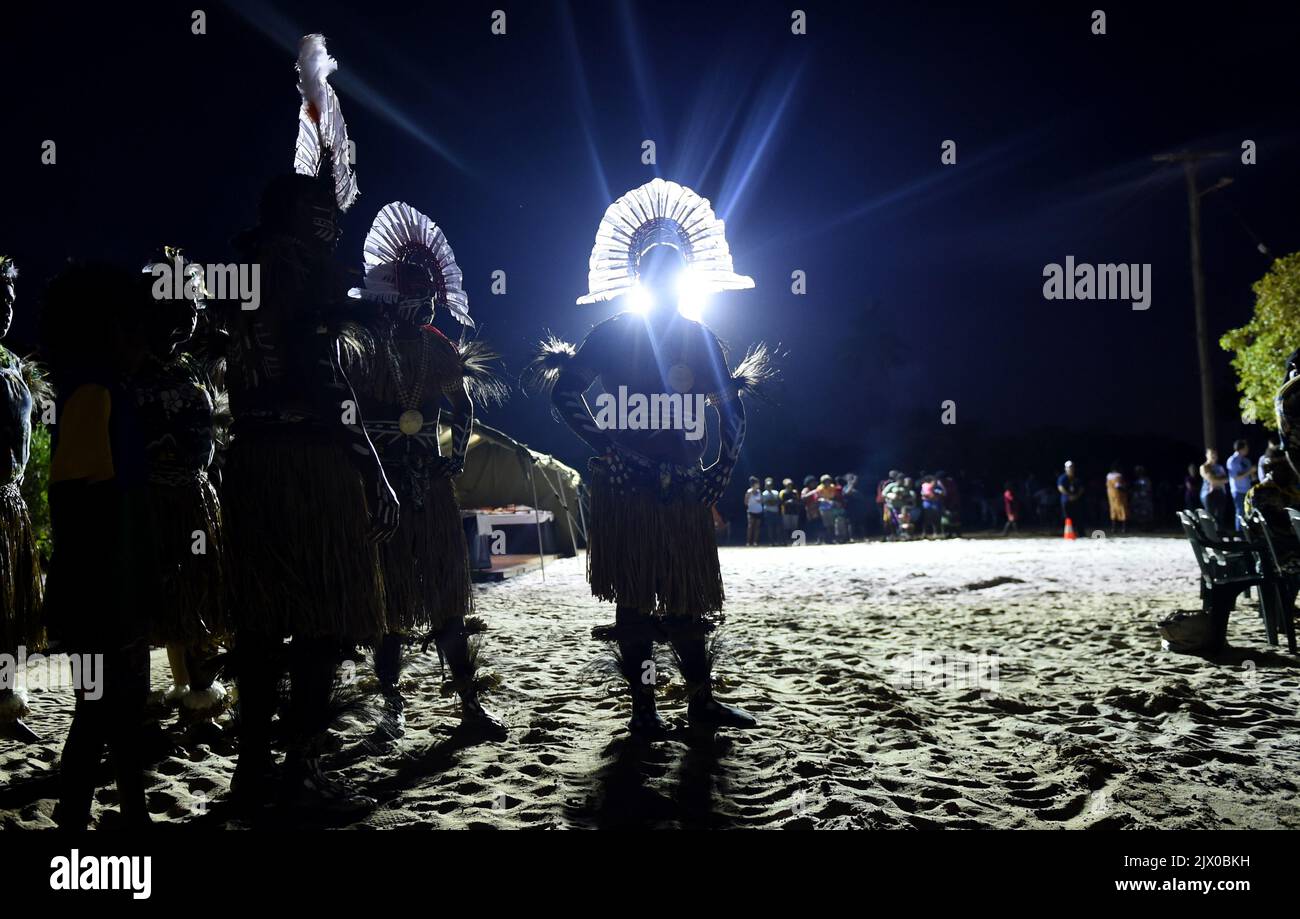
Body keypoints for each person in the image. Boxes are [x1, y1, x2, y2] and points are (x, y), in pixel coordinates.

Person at [526, 177, 772, 737]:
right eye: (655, 275)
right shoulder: (614, 334)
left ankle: (699, 701)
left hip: (683, 487)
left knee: (688, 597)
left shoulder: (700, 339)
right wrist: (610, 447)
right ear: (640, 279)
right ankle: (644, 712)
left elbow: (732, 411)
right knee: (635, 601)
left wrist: (718, 476)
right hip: (628, 490)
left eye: (672, 274)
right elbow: (566, 392)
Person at [221, 35, 398, 810]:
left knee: (263, 623)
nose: (333, 223)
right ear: (295, 216)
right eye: (320, 211)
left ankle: (252, 770)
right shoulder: (298, 278)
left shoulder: (240, 274)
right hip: (307, 467)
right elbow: (324, 384)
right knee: (327, 617)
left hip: (252, 463)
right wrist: (373, 466)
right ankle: (298, 772)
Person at [348, 200, 506, 736]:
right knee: (388, 595)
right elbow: (356, 413)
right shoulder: (368, 345)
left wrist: (454, 456)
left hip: (421, 484)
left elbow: (463, 406)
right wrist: (445, 455)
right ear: (394, 294)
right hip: (385, 483)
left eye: (431, 297)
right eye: (419, 295)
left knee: (442, 592)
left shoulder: (431, 347)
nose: (428, 305)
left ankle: (464, 703)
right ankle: (392, 700)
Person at [41, 263, 153, 828]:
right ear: (109, 331)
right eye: (132, 330)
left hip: (113, 582)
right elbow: (79, 504)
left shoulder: (108, 389)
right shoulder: (92, 392)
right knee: (100, 705)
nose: (142, 342)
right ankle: (77, 814)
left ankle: (125, 810)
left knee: (119, 704)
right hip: (100, 586)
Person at [134, 250, 229, 722]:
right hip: (146, 504)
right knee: (150, 601)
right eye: (172, 311)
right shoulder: (128, 370)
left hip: (195, 501)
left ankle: (199, 700)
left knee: (198, 598)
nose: (183, 324)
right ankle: (133, 706)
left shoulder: (198, 368)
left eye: (190, 314)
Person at [0, 256, 48, 742]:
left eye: (10, 301)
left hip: (9, 503)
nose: (5, 310)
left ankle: (6, 707)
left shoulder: (14, 364)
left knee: (11, 609)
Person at [1199, 448, 1232, 533]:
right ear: (1207, 455)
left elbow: (1227, 479)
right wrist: (1219, 480)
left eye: (1215, 454)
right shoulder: (1204, 467)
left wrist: (1217, 480)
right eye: (1211, 454)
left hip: (1220, 492)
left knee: (1220, 516)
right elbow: (1211, 480)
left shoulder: (1219, 467)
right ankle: (1209, 534)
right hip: (1208, 493)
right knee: (1210, 516)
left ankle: (1219, 535)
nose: (1214, 456)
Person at [1226, 439, 1255, 531]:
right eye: (1246, 447)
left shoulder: (1247, 461)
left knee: (1249, 512)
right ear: (1241, 448)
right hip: (1238, 490)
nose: (1248, 449)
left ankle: (1248, 533)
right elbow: (1235, 477)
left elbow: (1251, 476)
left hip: (1248, 490)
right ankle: (1240, 534)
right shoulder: (1232, 460)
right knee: (1240, 512)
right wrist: (1249, 471)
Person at [1057, 460, 1084, 531]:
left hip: (1076, 499)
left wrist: (1076, 496)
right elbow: (1060, 488)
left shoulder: (1076, 478)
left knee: (1078, 516)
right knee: (1067, 516)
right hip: (1066, 500)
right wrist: (1069, 496)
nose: (1070, 469)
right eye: (1069, 467)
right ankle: (1067, 531)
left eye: (1072, 467)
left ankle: (1081, 532)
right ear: (1065, 469)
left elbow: (1081, 488)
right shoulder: (1062, 478)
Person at [1105, 462, 1129, 535]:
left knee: (1113, 511)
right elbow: (1118, 486)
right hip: (1118, 496)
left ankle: (1113, 528)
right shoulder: (1118, 476)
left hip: (1110, 496)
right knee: (1122, 510)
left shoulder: (1108, 476)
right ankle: (1124, 528)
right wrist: (1126, 490)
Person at [779, 477, 802, 544]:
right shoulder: (783, 492)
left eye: (790, 484)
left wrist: (794, 502)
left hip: (794, 511)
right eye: (788, 485)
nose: (789, 486)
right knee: (786, 527)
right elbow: (780, 502)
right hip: (786, 512)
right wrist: (787, 502)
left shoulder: (794, 492)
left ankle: (795, 541)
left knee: (794, 527)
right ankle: (785, 541)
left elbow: (798, 501)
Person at [801, 474, 823, 543]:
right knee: (813, 525)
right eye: (812, 482)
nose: (814, 484)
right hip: (810, 511)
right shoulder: (806, 490)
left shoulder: (818, 490)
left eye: (814, 482)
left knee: (819, 524)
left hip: (818, 510)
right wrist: (812, 492)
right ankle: (814, 539)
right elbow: (803, 498)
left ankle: (821, 539)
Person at [761, 476, 781, 545]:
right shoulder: (764, 493)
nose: (769, 486)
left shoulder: (776, 492)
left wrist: (772, 502)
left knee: (777, 527)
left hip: (776, 511)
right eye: (767, 485)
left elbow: (778, 501)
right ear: (766, 486)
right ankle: (771, 542)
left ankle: (778, 541)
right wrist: (772, 502)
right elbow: (765, 502)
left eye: (770, 485)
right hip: (768, 512)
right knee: (770, 527)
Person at [744, 476, 763, 546]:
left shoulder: (759, 491)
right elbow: (745, 502)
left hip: (759, 511)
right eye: (757, 483)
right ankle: (748, 542)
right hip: (751, 511)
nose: (759, 485)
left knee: (757, 527)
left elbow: (761, 501)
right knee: (750, 527)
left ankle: (755, 542)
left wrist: (759, 501)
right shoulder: (748, 491)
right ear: (754, 484)